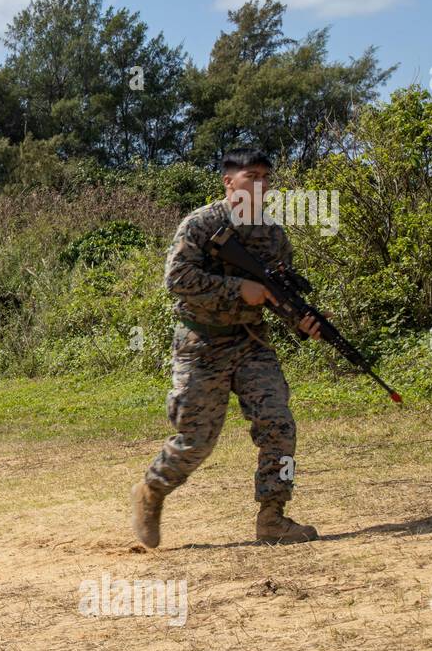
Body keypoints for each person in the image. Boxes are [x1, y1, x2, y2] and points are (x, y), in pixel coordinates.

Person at [132, 148, 321, 548]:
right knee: (196, 440)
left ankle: (273, 516)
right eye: (251, 176)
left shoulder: (272, 235)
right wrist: (240, 289)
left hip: (251, 344)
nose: (261, 184)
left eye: (266, 177)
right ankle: (152, 490)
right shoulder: (201, 224)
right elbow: (178, 281)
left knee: (279, 424)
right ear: (228, 182)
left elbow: (279, 296)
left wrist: (301, 322)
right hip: (200, 345)